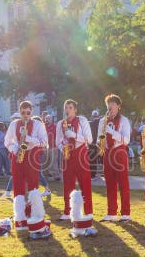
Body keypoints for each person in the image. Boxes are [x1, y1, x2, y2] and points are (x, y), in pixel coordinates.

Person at [4, 101, 48, 221]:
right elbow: (7, 141)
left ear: (31, 112)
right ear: (20, 112)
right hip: (17, 154)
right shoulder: (13, 124)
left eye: (28, 112)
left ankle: (34, 213)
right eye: (23, 113)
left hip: (32, 155)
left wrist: (28, 138)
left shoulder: (38, 124)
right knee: (18, 185)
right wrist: (14, 149)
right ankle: (20, 214)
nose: (26, 115)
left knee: (33, 185)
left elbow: (44, 142)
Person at [56, 99, 93, 220]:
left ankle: (88, 212)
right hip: (68, 155)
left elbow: (90, 139)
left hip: (81, 153)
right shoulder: (60, 123)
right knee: (67, 184)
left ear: (75, 110)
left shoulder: (82, 120)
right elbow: (58, 141)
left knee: (85, 183)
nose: (67, 110)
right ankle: (68, 212)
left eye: (70, 107)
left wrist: (75, 136)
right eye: (66, 108)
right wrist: (64, 149)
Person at [98, 94, 132, 222]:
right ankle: (111, 212)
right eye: (108, 105)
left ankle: (125, 214)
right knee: (109, 184)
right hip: (107, 153)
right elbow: (99, 137)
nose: (110, 107)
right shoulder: (103, 120)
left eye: (112, 104)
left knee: (123, 184)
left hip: (120, 152)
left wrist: (112, 132)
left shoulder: (124, 121)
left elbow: (127, 140)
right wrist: (100, 142)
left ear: (118, 106)